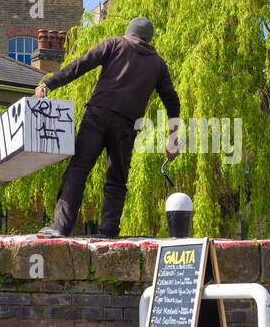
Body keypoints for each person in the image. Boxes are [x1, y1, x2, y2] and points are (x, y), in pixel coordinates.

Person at [35, 16, 179, 238]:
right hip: (126, 126)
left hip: (97, 116)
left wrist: (49, 83)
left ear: (129, 33)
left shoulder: (114, 44)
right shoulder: (157, 64)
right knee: (117, 179)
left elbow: (80, 65)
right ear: (148, 39)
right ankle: (108, 232)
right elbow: (172, 101)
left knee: (78, 170)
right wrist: (173, 139)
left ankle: (60, 227)